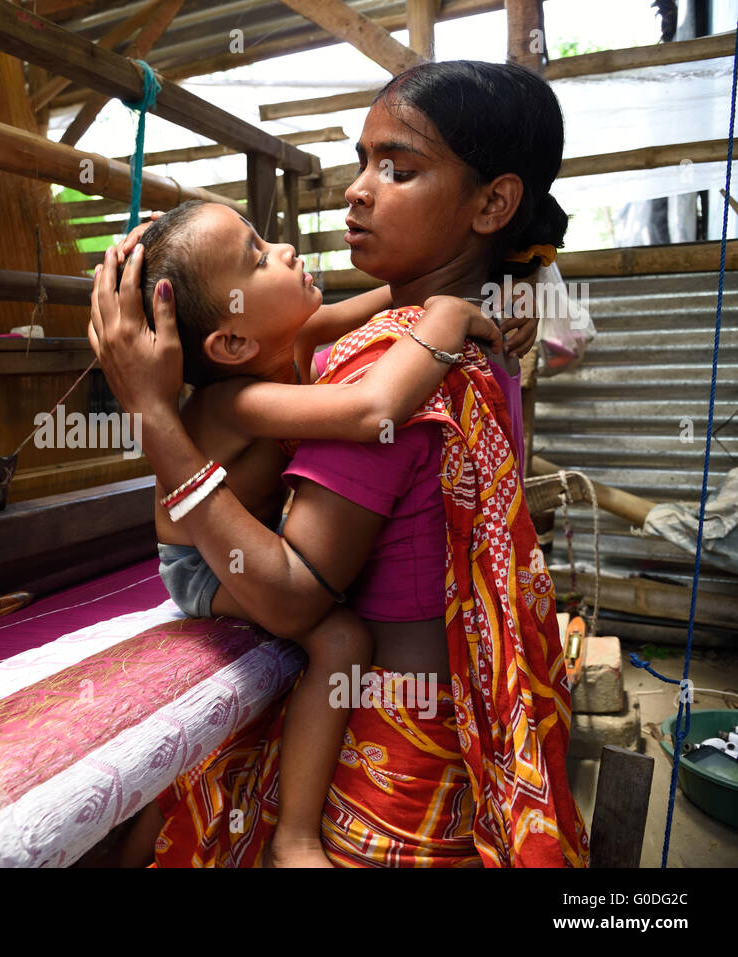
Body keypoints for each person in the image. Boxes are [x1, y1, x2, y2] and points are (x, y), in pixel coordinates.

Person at [88, 59, 590, 867]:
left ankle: (288, 836)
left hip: (395, 770)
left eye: (398, 168)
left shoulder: (399, 358)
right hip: (444, 730)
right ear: (231, 339)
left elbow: (292, 595)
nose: (356, 189)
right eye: (362, 162)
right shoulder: (443, 345)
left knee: (222, 758)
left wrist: (151, 411)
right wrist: (467, 309)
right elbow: (381, 354)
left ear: (493, 203)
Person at [118, 199, 504, 866]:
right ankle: (295, 835)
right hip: (202, 562)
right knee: (343, 636)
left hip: (252, 530)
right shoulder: (233, 401)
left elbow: (393, 298)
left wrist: (448, 277)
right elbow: (370, 407)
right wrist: (451, 316)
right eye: (258, 256)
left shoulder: (294, 336)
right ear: (233, 343)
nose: (286, 249)